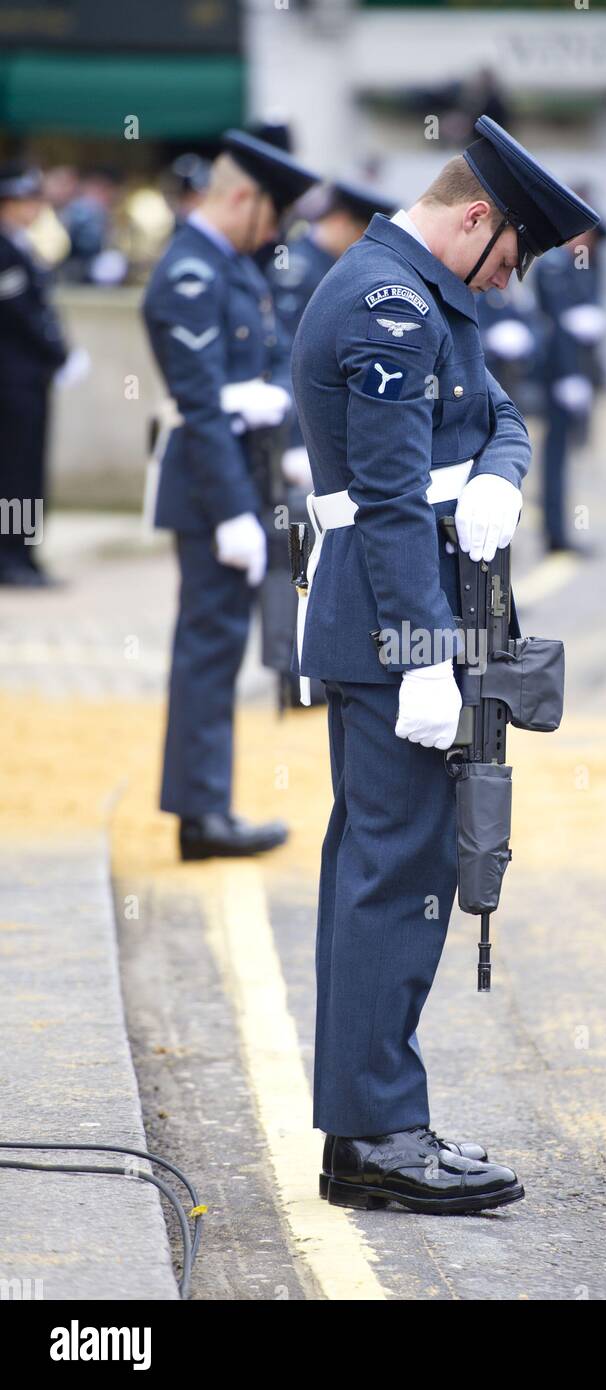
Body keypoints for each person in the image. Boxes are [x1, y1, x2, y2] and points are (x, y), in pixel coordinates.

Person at [291, 116, 598, 1213]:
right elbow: (382, 499)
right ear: (476, 217)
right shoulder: (385, 302)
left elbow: (501, 414)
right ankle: (378, 1135)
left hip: (415, 617)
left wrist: (497, 478)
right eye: (509, 255)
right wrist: (425, 659)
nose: (507, 280)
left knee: (387, 867)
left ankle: (366, 1123)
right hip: (392, 633)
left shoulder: (429, 294)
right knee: (395, 876)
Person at [142, 130, 320, 861]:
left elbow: (274, 358)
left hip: (245, 476)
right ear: (242, 197)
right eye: (270, 216)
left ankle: (207, 805)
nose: (274, 233)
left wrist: (273, 403)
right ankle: (200, 815)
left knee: (221, 646)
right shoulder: (190, 271)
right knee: (208, 651)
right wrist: (233, 514)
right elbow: (203, 404)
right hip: (214, 490)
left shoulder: (227, 266)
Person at [256, 176, 397, 709]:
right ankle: (290, 675)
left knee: (314, 556)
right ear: (340, 222)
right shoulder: (302, 267)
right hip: (293, 439)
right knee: (294, 555)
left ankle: (306, 673)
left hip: (311, 441)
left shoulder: (330, 267)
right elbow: (290, 360)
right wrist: (295, 443)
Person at [0, 161, 75, 587]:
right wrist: (57, 351)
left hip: (29, 378)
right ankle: (11, 554)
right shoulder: (4, 248)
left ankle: (24, 552)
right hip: (12, 381)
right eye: (24, 200)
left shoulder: (20, 245)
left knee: (28, 472)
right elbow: (22, 315)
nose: (32, 209)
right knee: (14, 473)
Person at [534, 208, 606, 555]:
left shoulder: (579, 271)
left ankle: (559, 530)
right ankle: (555, 533)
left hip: (573, 377)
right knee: (555, 457)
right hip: (558, 378)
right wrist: (568, 377)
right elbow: (559, 330)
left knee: (565, 456)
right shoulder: (554, 268)